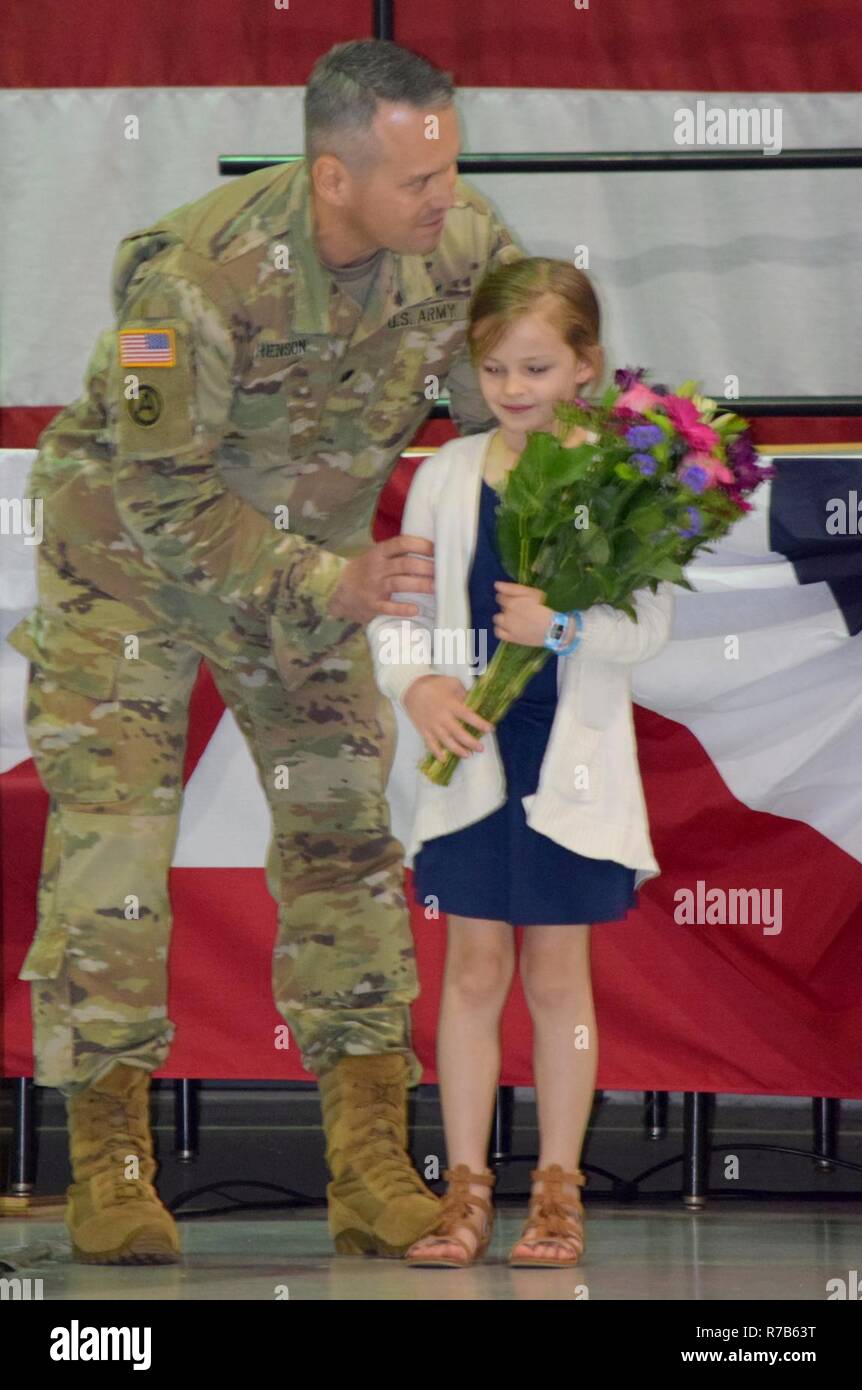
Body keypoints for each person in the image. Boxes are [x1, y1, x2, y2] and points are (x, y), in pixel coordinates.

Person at [6, 38, 527, 1264]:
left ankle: (368, 1162)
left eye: (449, 166)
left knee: (345, 833)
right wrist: (331, 581)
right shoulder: (192, 278)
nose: (445, 196)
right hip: (130, 567)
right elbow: (163, 494)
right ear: (333, 178)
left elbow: (506, 415)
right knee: (116, 849)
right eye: (417, 179)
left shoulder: (463, 248)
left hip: (310, 571)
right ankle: (110, 1162)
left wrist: (584, 493)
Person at [366, 257, 675, 1267]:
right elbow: (401, 613)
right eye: (493, 368)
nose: (511, 388)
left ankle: (555, 1191)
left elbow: (648, 628)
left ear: (585, 365)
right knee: (470, 968)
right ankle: (462, 1191)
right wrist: (418, 686)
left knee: (555, 973)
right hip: (469, 750)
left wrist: (564, 627)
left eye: (535, 368)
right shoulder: (445, 474)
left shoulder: (618, 473)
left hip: (565, 760)